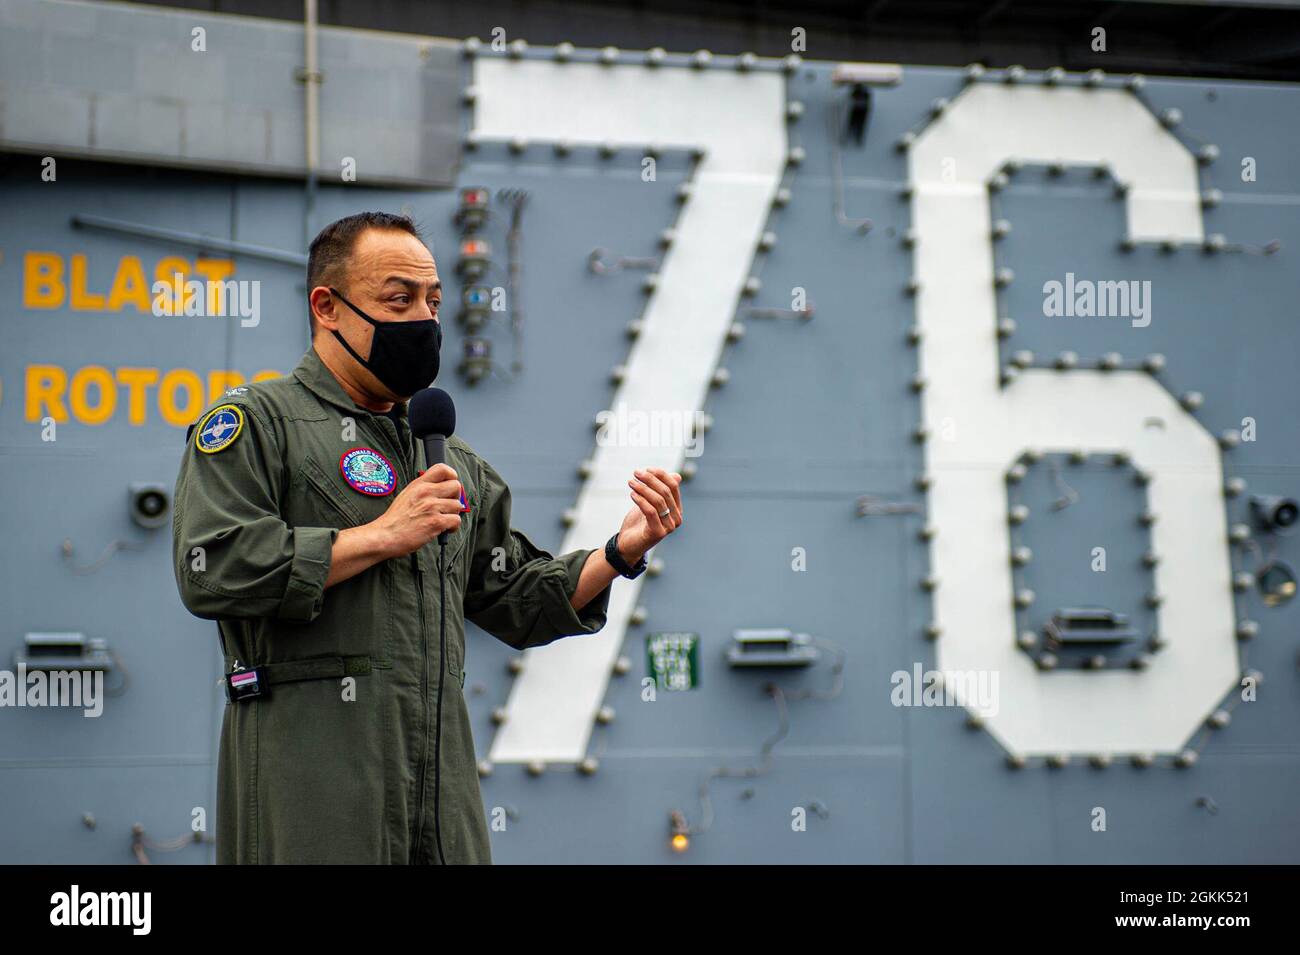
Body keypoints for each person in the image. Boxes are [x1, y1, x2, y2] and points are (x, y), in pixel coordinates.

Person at [171, 211, 683, 863]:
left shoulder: (447, 457)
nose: (423, 319)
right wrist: (382, 536)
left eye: (433, 301)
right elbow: (212, 566)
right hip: (314, 798)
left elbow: (515, 597)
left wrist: (621, 550)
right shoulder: (259, 424)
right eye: (399, 299)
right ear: (327, 307)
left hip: (440, 802)